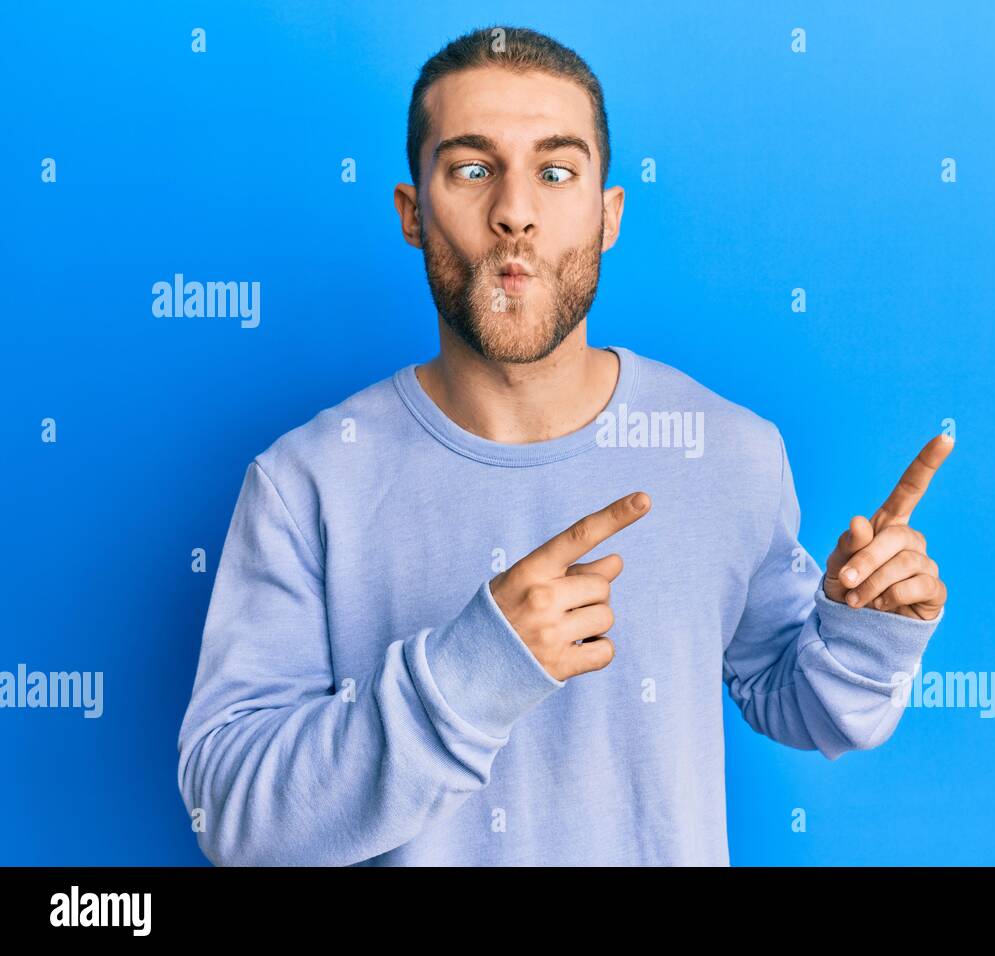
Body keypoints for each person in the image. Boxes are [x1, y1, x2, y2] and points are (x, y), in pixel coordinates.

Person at [176, 24, 951, 867]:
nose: (515, 211)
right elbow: (232, 817)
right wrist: (472, 673)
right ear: (411, 213)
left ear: (608, 214)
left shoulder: (729, 453)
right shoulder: (306, 483)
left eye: (556, 171)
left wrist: (865, 637)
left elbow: (796, 701)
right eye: (472, 169)